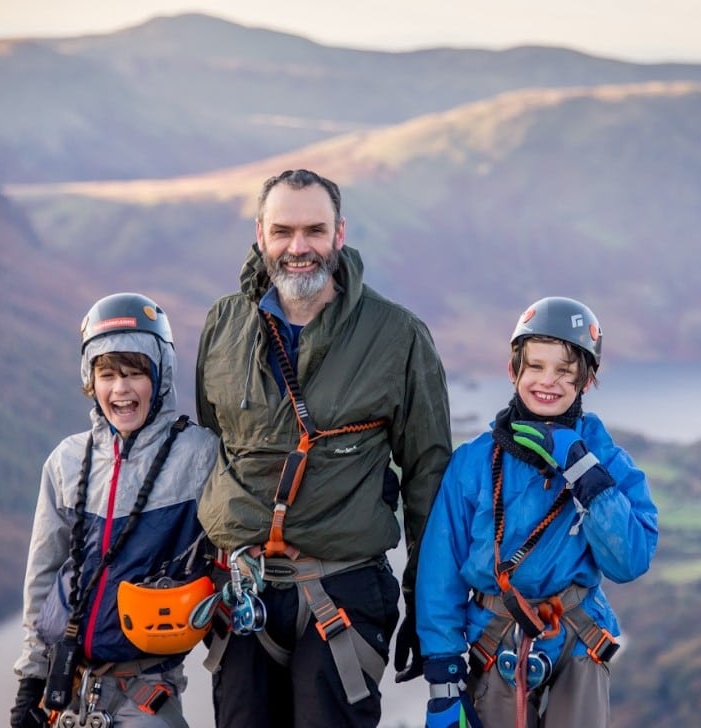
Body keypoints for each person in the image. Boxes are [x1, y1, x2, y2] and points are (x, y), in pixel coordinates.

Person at [194, 168, 453, 727]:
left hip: (344, 588)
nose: (298, 247)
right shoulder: (223, 325)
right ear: (260, 234)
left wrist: (428, 609)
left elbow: (428, 476)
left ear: (340, 233)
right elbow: (215, 441)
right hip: (243, 593)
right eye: (283, 231)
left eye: (314, 230)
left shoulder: (397, 335)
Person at [416, 296, 659, 728]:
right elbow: (441, 570)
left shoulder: (606, 463)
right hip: (495, 643)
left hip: (577, 642)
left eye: (565, 370)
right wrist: (443, 675)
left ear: (587, 380)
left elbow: (630, 560)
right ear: (513, 371)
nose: (548, 381)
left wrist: (583, 472)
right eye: (535, 366)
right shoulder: (475, 463)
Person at [10, 292, 219, 728]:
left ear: (160, 376)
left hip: (147, 690)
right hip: (66, 689)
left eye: (135, 373)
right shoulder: (67, 461)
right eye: (106, 374)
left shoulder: (199, 456)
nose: (120, 388)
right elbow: (43, 575)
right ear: (90, 380)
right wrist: (31, 678)